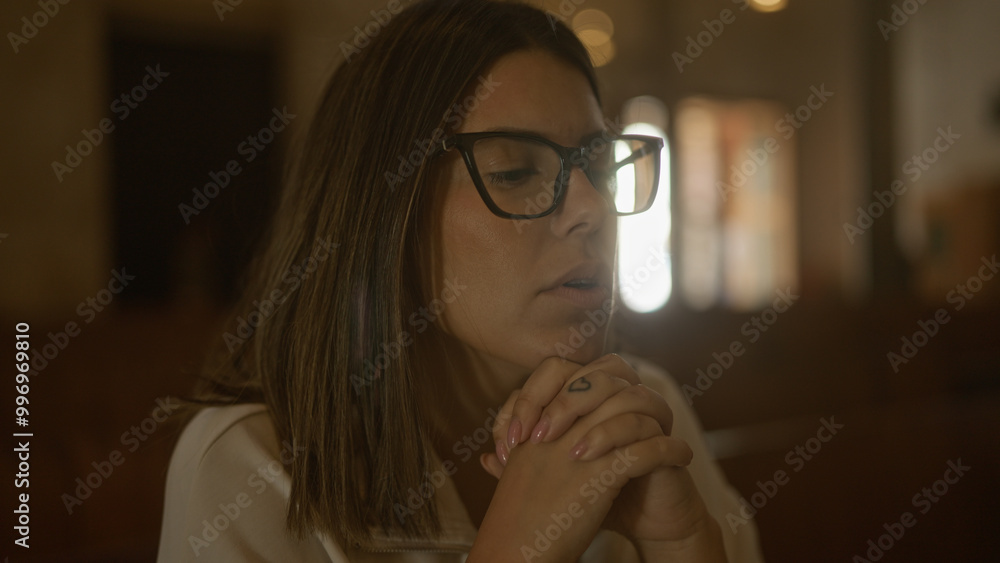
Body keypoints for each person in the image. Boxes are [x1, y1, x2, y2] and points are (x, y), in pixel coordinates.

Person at [157, 1, 766, 561]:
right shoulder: (251, 464)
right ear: (386, 211)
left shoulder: (637, 410)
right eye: (514, 171)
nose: (593, 208)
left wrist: (685, 543)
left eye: (597, 165)